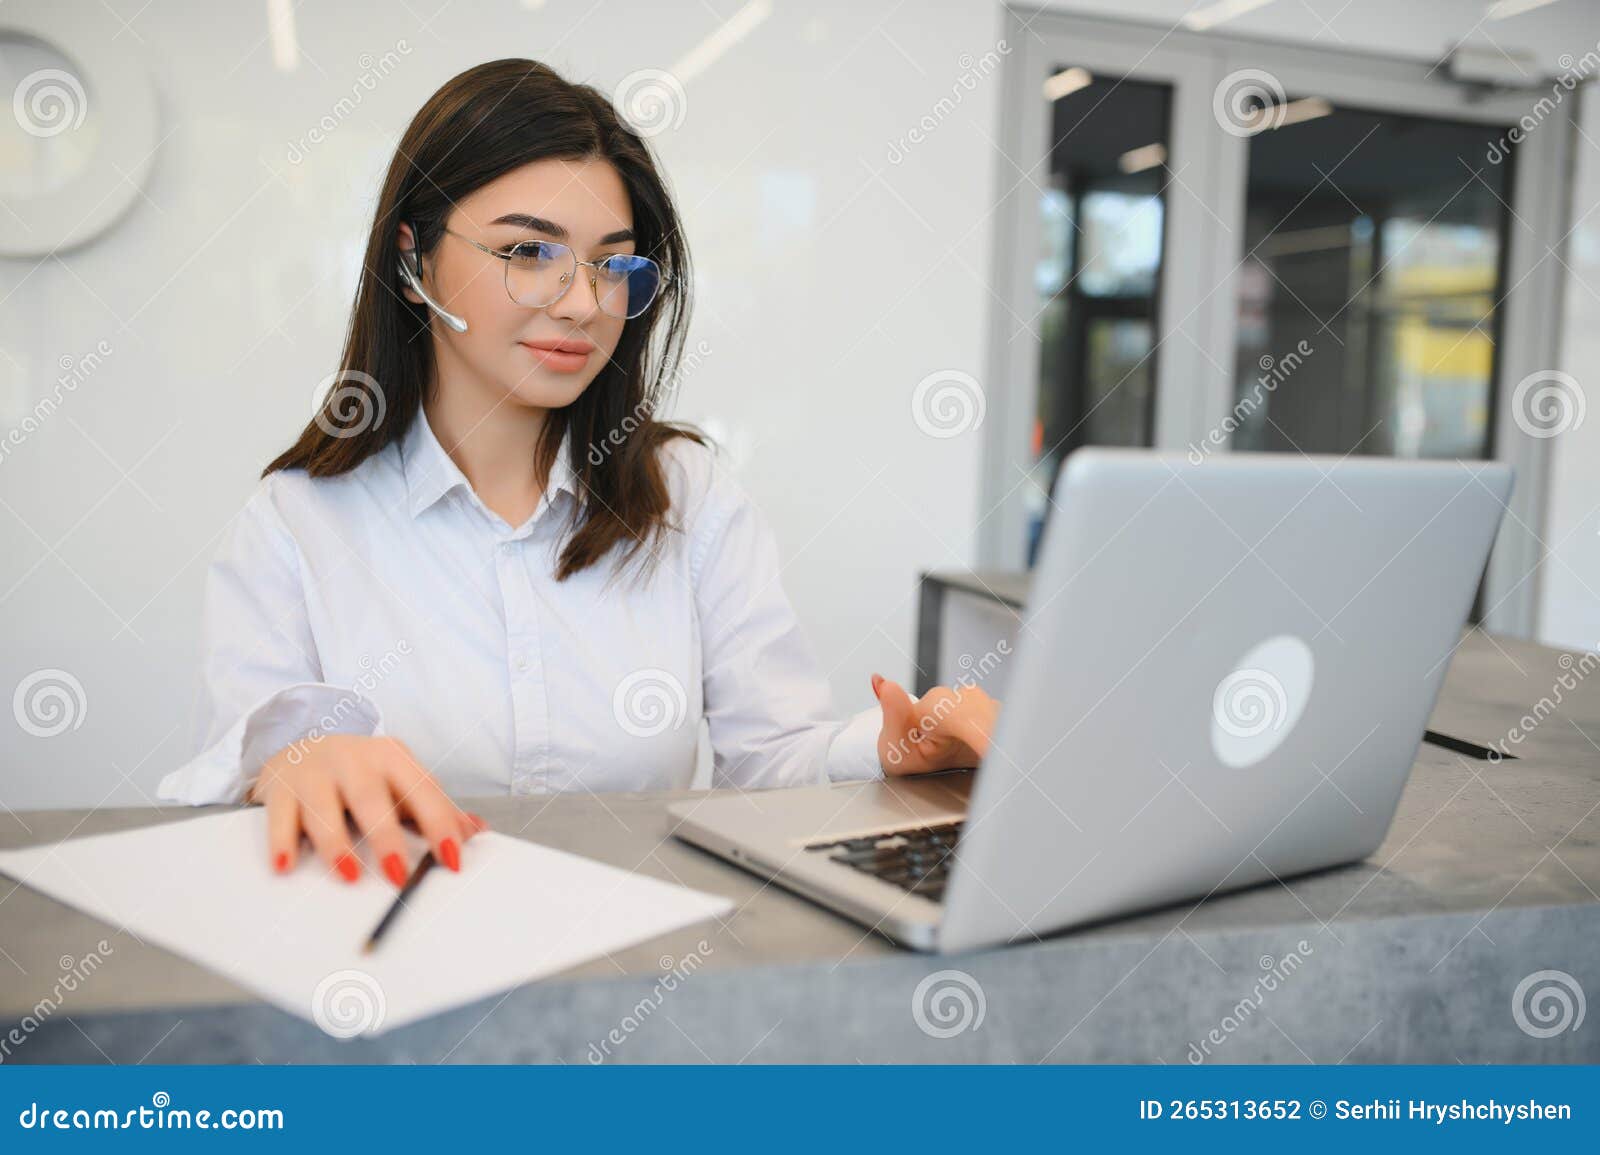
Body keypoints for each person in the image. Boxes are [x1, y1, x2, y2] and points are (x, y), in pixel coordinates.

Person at [156, 59, 1000, 889]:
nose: (581, 303)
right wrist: (289, 764)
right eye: (529, 251)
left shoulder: (688, 495)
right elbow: (239, 780)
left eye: (611, 263)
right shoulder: (298, 521)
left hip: (642, 968)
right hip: (390, 979)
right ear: (413, 262)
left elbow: (770, 764)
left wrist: (891, 750)